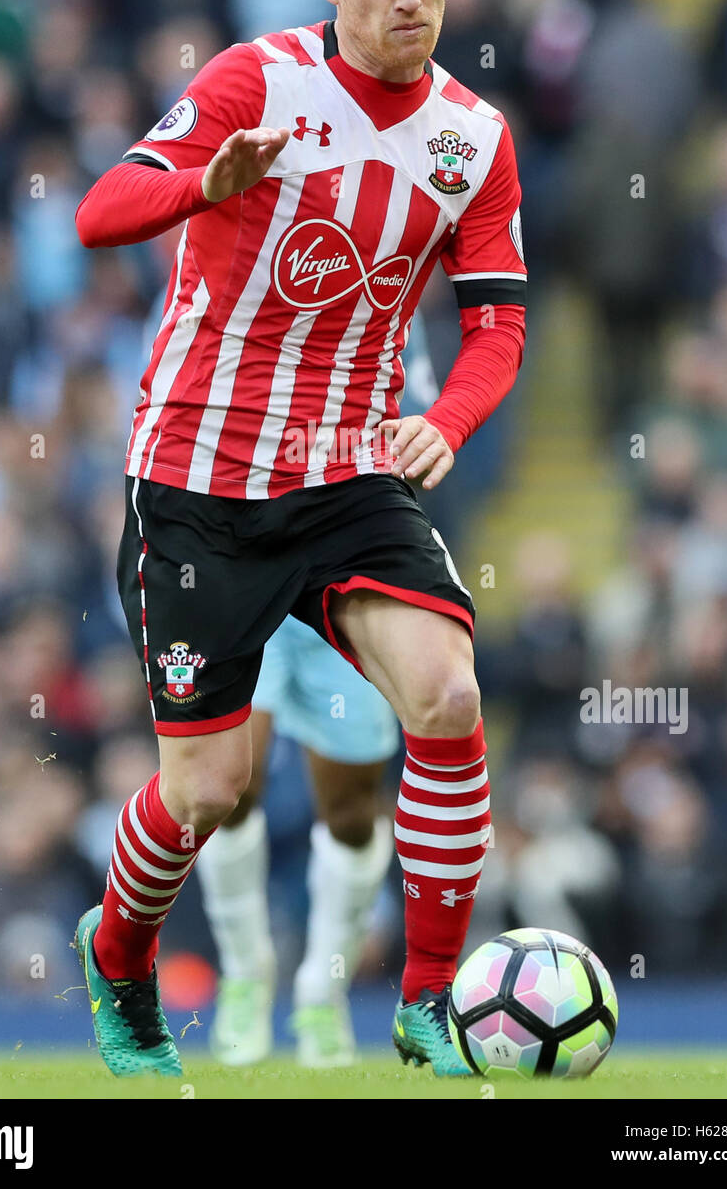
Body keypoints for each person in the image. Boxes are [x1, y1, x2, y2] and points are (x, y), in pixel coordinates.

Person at [73, 0, 527, 1079]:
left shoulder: (472, 139)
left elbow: (495, 319)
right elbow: (98, 211)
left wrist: (451, 418)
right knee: (208, 790)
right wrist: (195, 189)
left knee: (444, 696)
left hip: (348, 471)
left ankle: (427, 1001)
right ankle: (119, 958)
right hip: (200, 483)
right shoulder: (251, 82)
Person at [197, 313, 438, 1069]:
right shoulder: (215, 283)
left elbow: (422, 429)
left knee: (350, 809)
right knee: (223, 785)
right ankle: (245, 974)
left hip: (347, 573)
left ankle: (322, 992)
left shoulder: (390, 293)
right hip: (240, 564)